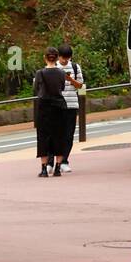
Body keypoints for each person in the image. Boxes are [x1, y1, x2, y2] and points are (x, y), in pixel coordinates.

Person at [32, 47, 68, 178]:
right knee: (59, 136)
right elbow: (62, 88)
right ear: (57, 58)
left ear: (45, 57)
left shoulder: (40, 73)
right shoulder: (61, 73)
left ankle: (43, 169)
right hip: (59, 105)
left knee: (43, 136)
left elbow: (36, 89)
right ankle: (58, 168)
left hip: (44, 106)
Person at [58, 42, 84, 173]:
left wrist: (70, 79)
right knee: (57, 134)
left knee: (69, 134)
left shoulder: (75, 67)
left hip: (72, 104)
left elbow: (80, 85)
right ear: (58, 56)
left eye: (68, 58)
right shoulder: (53, 67)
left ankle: (64, 161)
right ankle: (55, 162)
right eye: (63, 58)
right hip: (57, 105)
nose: (65, 60)